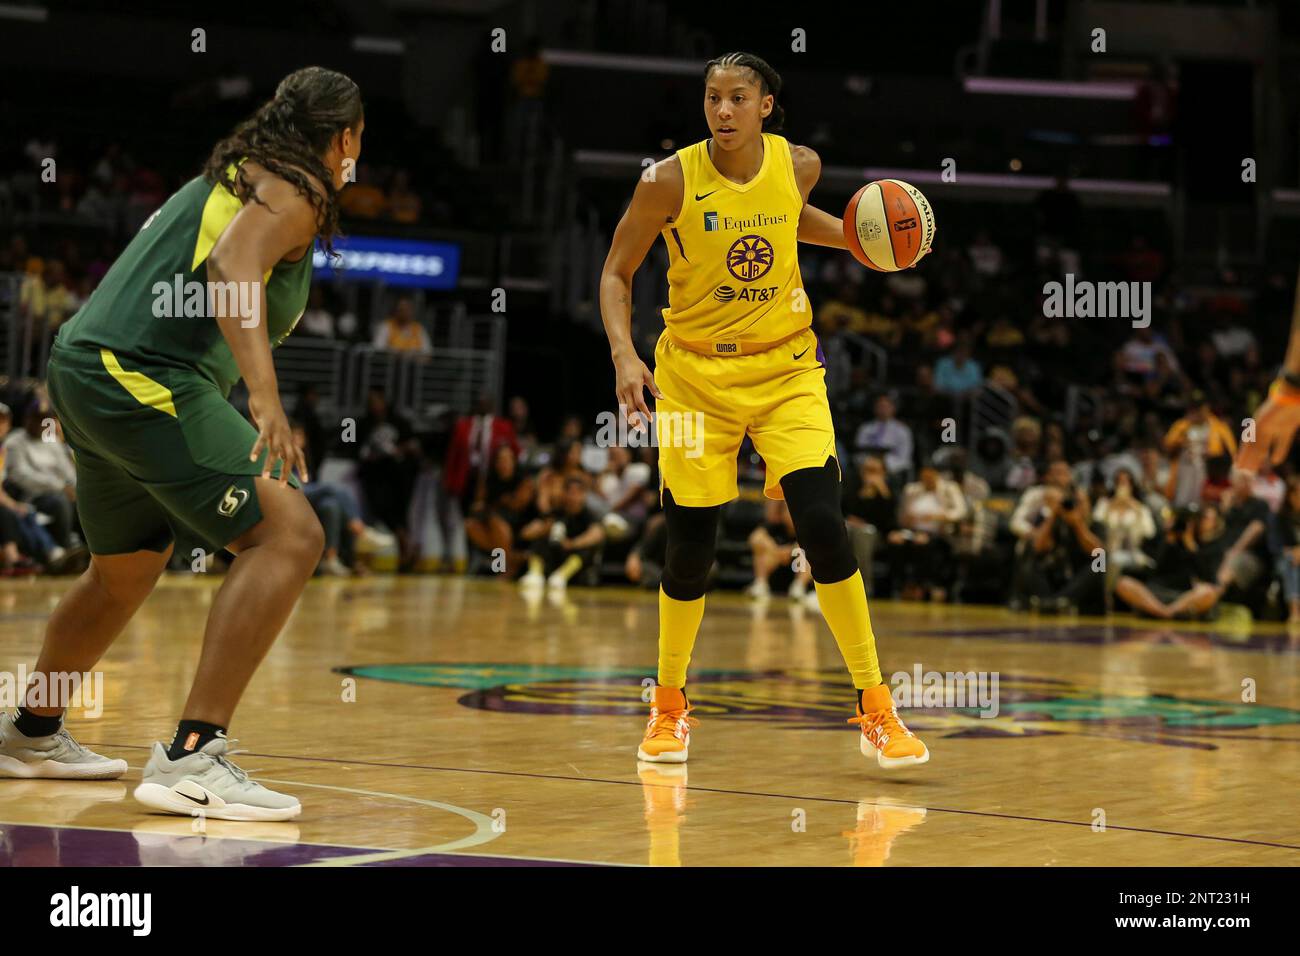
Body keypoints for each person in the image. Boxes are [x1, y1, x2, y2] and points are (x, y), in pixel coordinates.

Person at [0, 67, 364, 822]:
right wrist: (266, 400)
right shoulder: (296, 189)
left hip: (88, 368)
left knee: (124, 573)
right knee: (291, 536)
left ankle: (31, 730)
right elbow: (233, 267)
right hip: (137, 373)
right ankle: (195, 754)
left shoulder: (245, 175)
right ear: (345, 140)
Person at [599, 52, 928, 769]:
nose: (722, 111)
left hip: (785, 367)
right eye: (713, 98)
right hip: (691, 376)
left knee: (822, 525)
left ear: (766, 106)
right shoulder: (666, 181)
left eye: (737, 98)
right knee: (689, 547)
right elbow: (617, 271)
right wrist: (626, 354)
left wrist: (865, 240)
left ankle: (877, 707)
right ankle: (668, 704)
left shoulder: (798, 165)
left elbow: (787, 219)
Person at [518, 476, 605, 591]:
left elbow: (597, 534)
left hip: (575, 564)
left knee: (587, 549)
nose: (573, 497)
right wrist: (544, 529)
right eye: (569, 492)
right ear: (564, 493)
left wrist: (572, 544)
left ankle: (561, 576)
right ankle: (535, 574)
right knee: (540, 542)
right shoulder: (556, 512)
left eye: (577, 493)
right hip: (555, 557)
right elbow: (525, 533)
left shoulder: (590, 515)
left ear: (583, 495)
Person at [745, 498, 815, 606]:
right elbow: (755, 538)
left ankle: (798, 588)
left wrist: (790, 551)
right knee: (762, 553)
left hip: (797, 569)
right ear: (781, 513)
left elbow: (813, 543)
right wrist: (776, 551)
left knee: (807, 556)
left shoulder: (806, 528)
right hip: (776, 566)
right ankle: (761, 585)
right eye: (789, 510)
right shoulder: (775, 526)